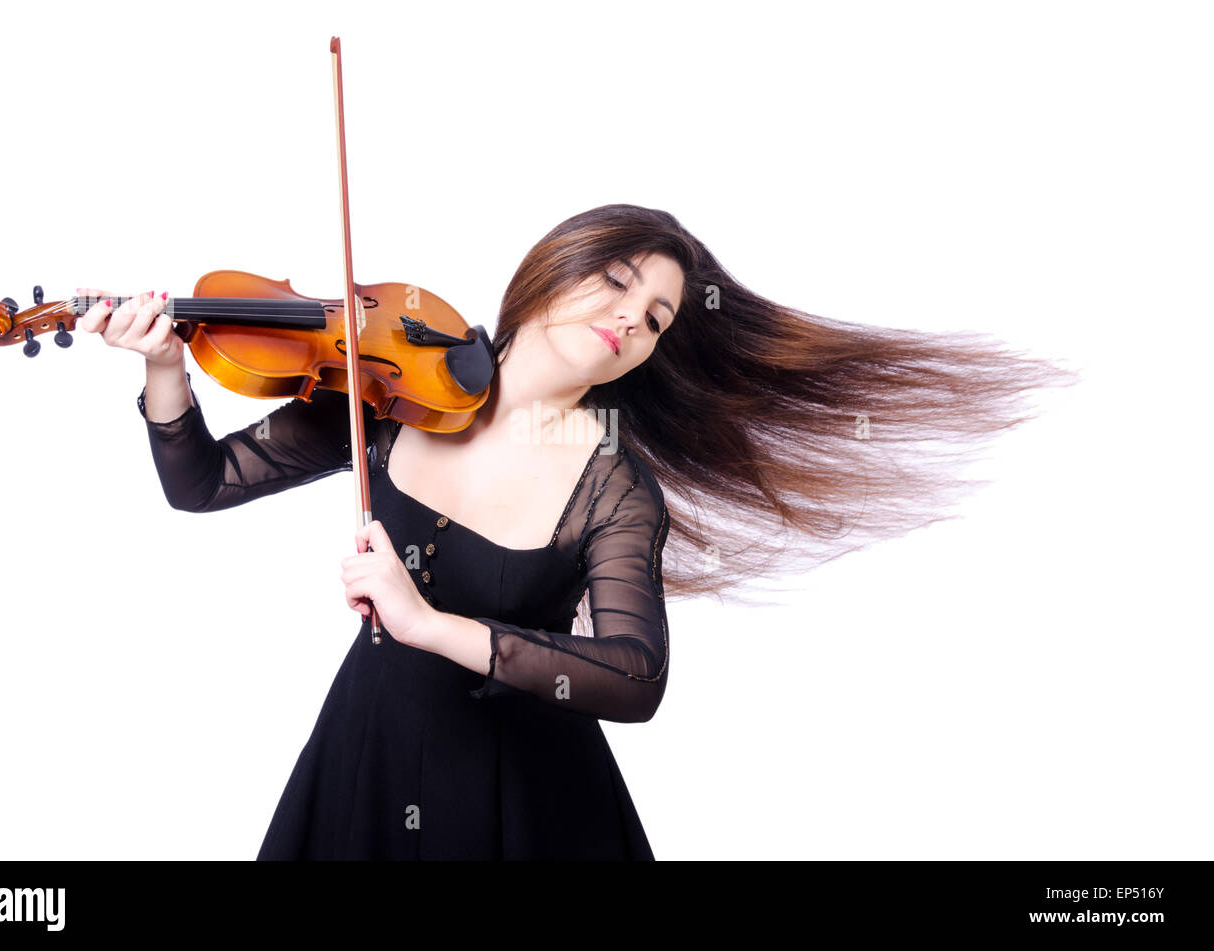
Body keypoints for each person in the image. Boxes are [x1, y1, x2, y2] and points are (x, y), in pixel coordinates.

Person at [78, 203, 1076, 860]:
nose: (630, 319)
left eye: (655, 318)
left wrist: (428, 624)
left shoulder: (613, 486)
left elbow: (633, 676)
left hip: (524, 804)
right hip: (370, 754)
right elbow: (201, 486)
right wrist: (166, 371)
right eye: (616, 282)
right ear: (556, 266)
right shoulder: (387, 388)